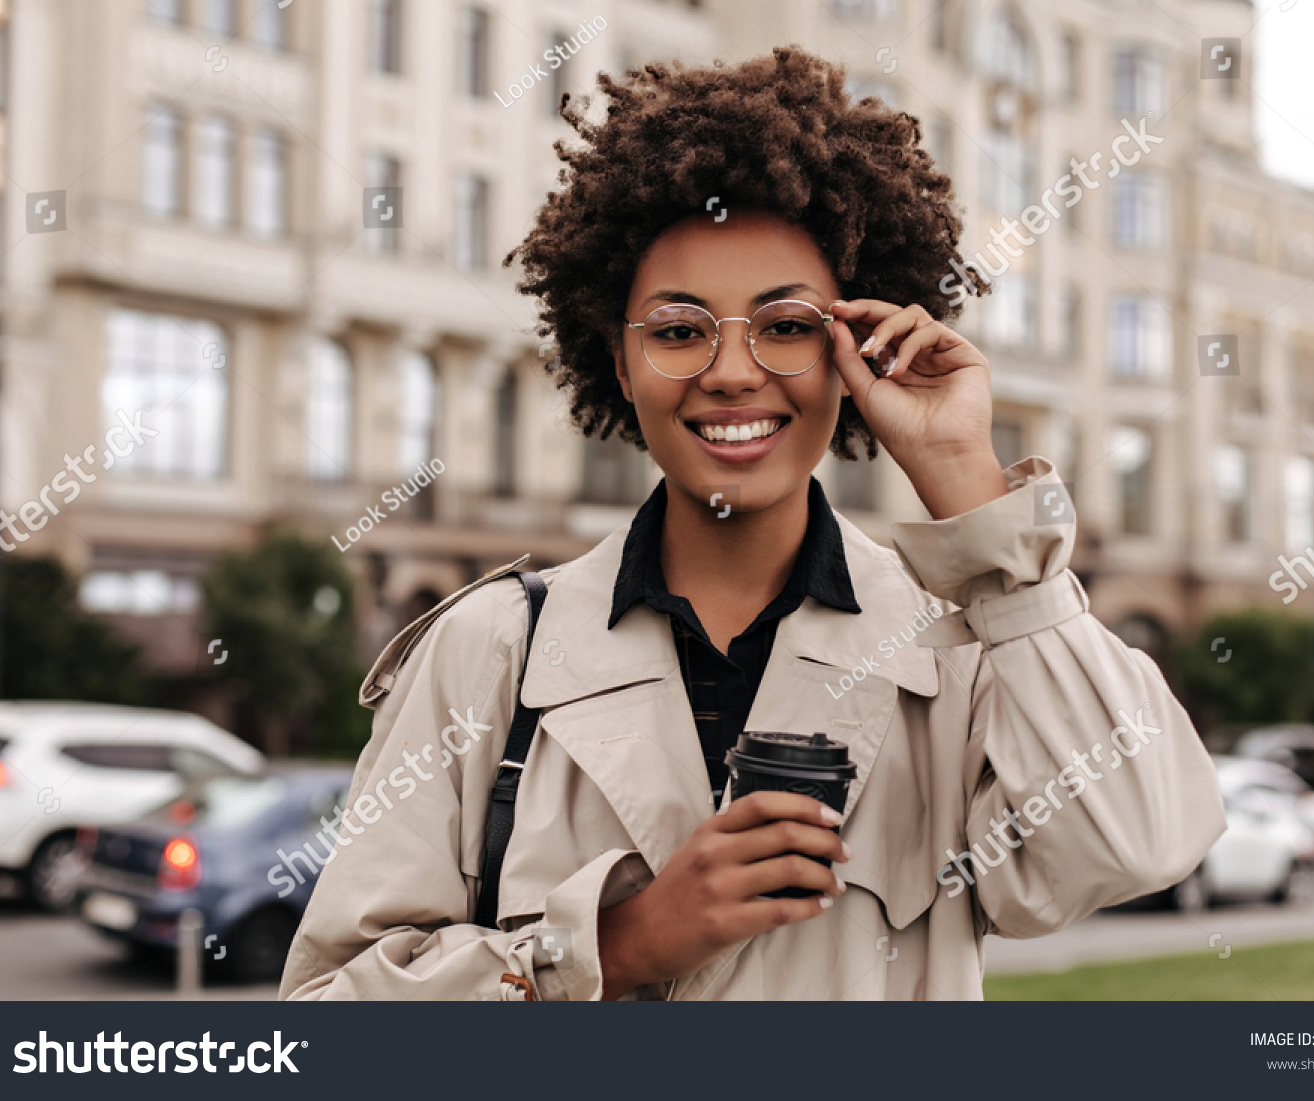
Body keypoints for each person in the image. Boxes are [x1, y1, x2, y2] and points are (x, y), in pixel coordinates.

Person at [280, 47, 1224, 1001]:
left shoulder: (965, 650)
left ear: (854, 350)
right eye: (681, 330)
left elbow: (1139, 836)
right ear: (618, 361)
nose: (733, 372)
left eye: (786, 326)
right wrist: (618, 948)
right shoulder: (490, 651)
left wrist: (969, 489)